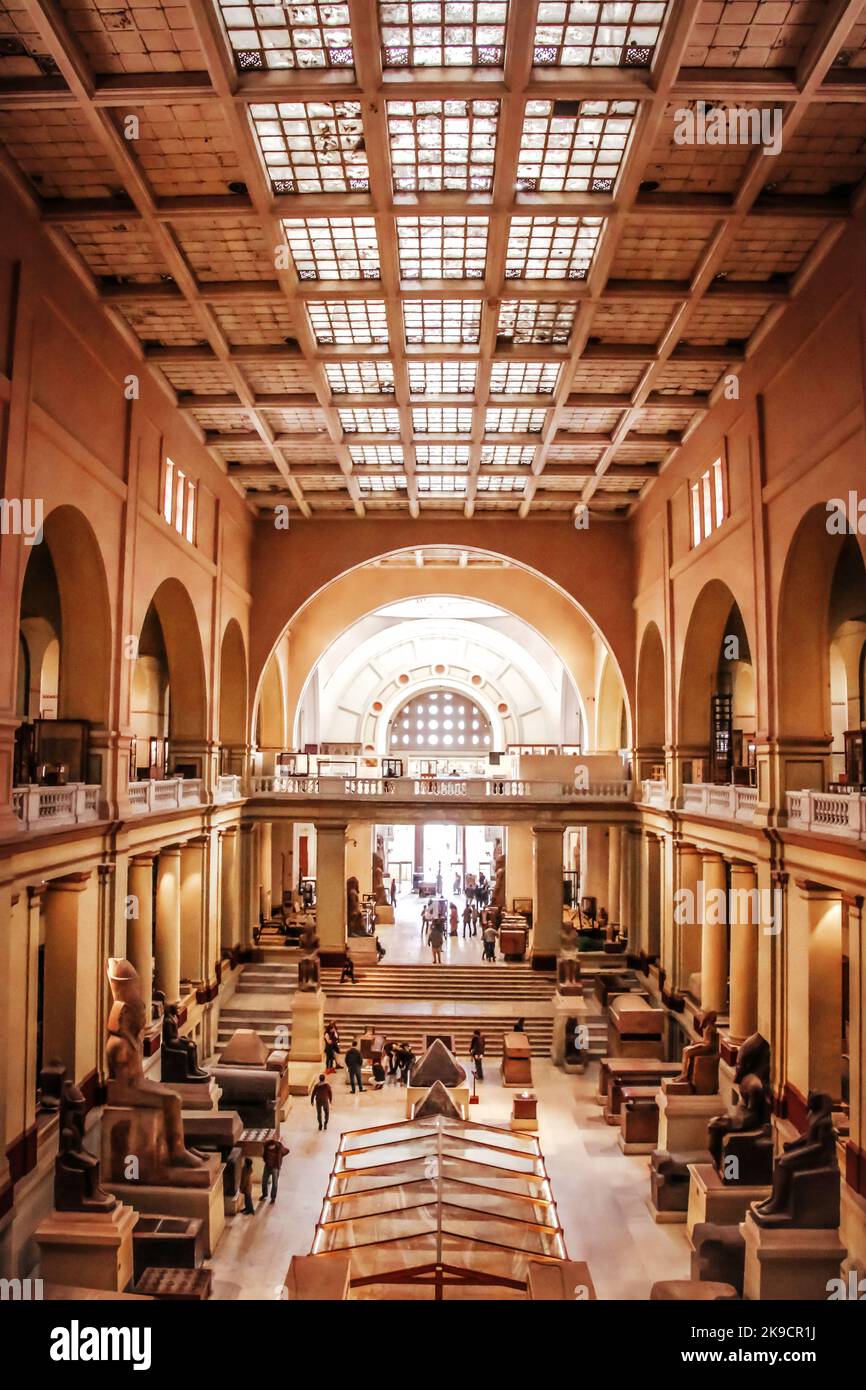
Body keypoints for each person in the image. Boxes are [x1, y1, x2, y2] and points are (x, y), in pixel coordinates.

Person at [261, 1133, 290, 1204]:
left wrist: (280, 1158)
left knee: (275, 1183)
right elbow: (264, 1154)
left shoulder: (279, 1147)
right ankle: (264, 1194)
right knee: (264, 1181)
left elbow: (287, 1151)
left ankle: (273, 1198)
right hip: (267, 1165)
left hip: (275, 1167)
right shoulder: (266, 1145)